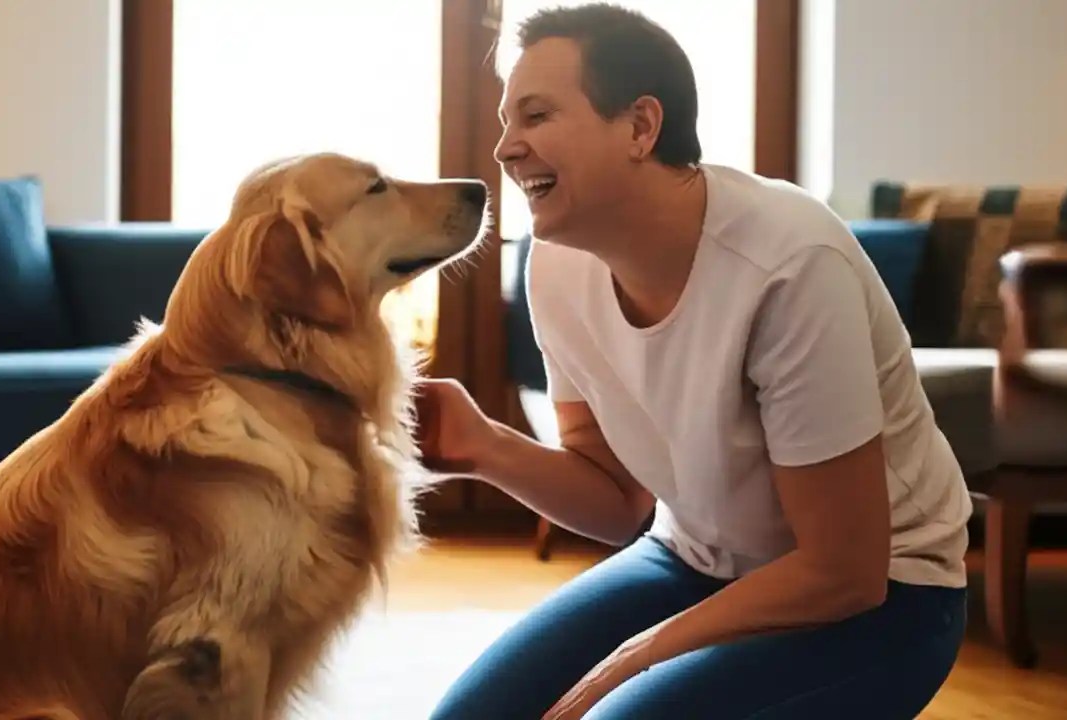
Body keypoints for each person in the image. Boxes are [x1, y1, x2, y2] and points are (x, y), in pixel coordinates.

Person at [415, 4, 972, 719]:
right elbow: (618, 503)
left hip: (887, 599)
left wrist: (639, 653)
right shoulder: (556, 265)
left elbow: (843, 573)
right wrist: (487, 448)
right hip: (696, 558)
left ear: (641, 127)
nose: (503, 148)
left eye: (536, 115)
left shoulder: (788, 264)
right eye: (504, 121)